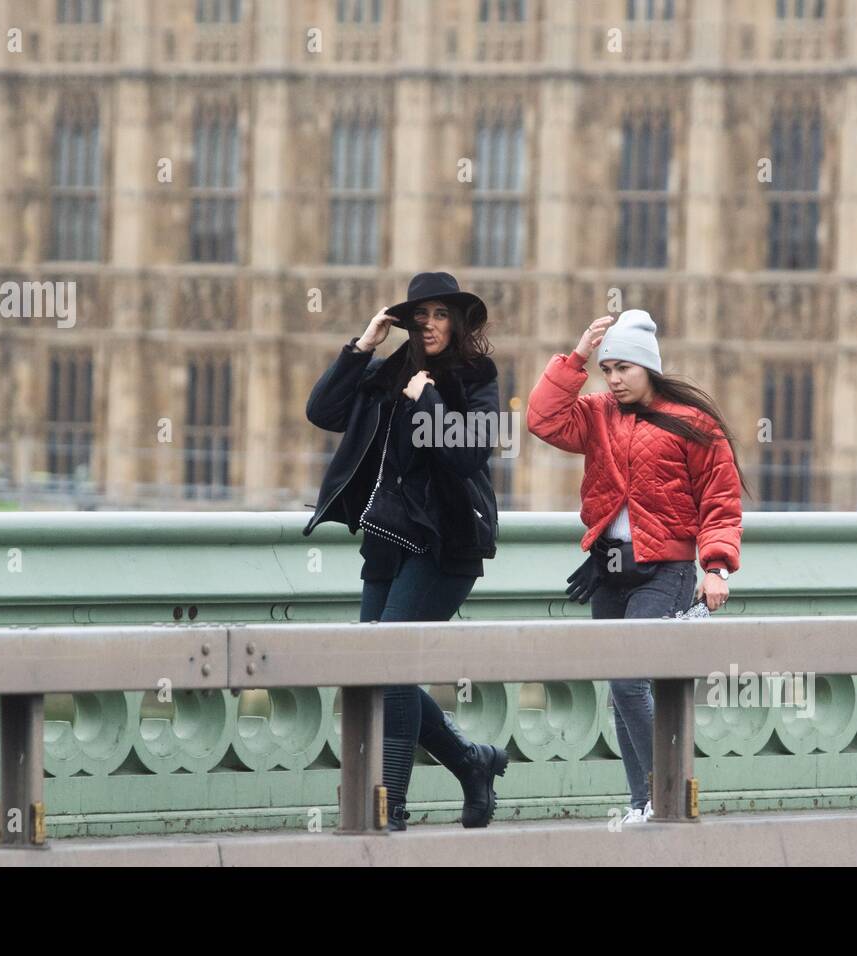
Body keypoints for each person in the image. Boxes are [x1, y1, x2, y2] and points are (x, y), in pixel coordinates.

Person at [303, 271, 508, 831]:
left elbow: (467, 456)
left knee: (391, 665)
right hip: (388, 539)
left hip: (446, 544)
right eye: (421, 317)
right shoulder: (386, 372)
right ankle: (471, 763)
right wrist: (361, 347)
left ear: (459, 322)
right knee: (375, 670)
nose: (431, 325)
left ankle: (388, 803)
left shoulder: (475, 376)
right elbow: (322, 412)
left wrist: (431, 400)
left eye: (441, 315)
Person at [526, 309, 747, 825]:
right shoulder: (598, 414)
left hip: (665, 572)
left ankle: (669, 792)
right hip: (610, 572)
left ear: (649, 367)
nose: (615, 378)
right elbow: (542, 419)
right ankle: (641, 802)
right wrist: (576, 356)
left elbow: (720, 500)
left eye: (624, 367)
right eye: (608, 369)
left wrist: (716, 567)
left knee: (629, 683)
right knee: (620, 690)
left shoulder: (694, 424)